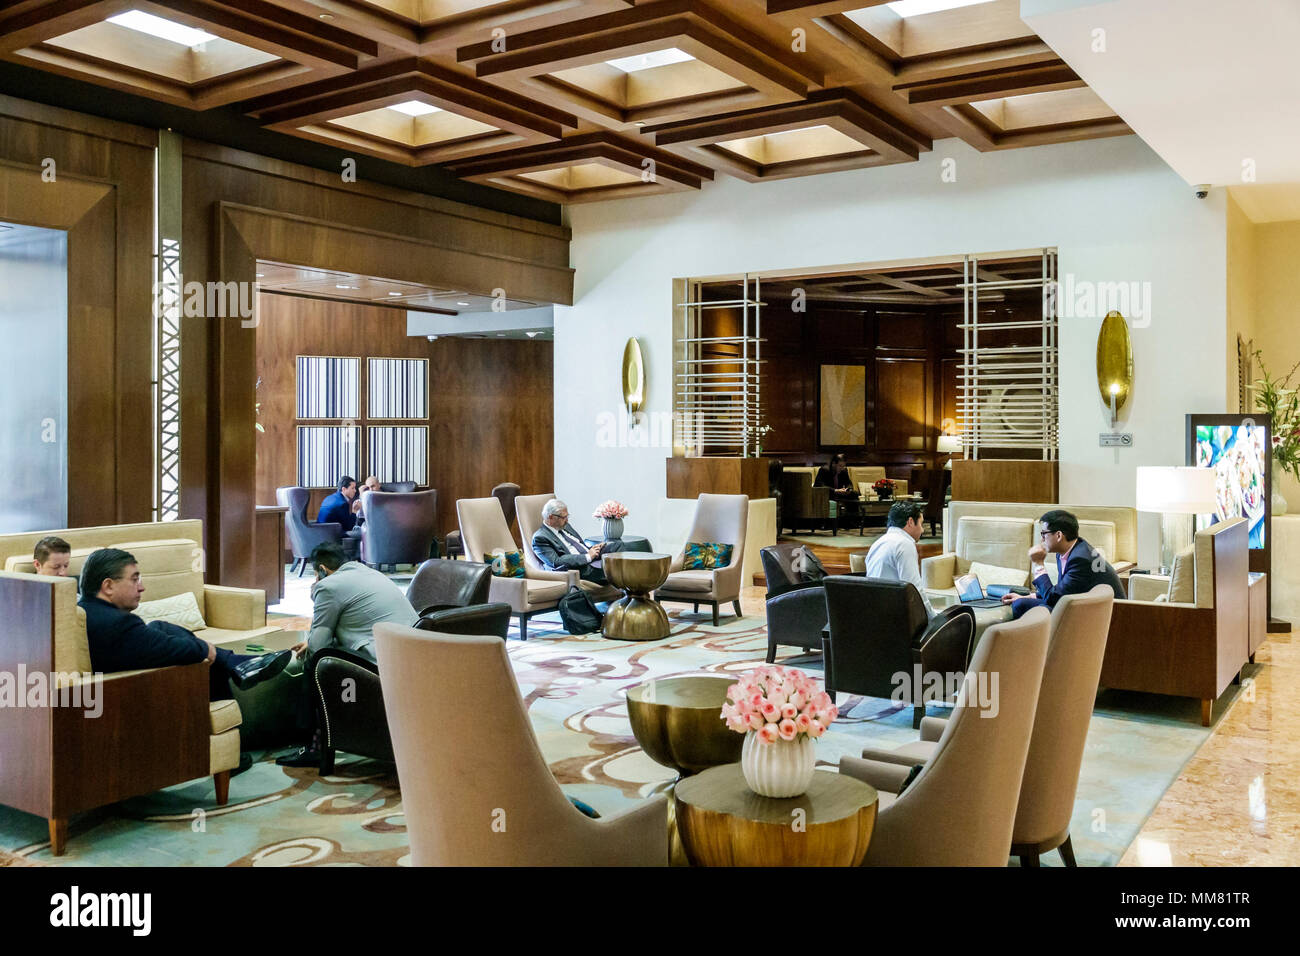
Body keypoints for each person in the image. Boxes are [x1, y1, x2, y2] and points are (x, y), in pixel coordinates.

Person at [277, 541, 420, 768]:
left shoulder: (329, 586)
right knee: (321, 653)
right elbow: (357, 621)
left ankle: (312, 744)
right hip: (414, 657)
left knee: (315, 663)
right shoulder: (367, 571)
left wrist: (317, 598)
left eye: (316, 575)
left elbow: (318, 645)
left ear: (323, 570)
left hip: (380, 664)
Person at [77, 548, 291, 700]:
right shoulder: (118, 624)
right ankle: (236, 664)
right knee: (204, 660)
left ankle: (236, 662)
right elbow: (175, 648)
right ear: (108, 586)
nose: (141, 588)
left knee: (161, 627)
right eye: (134, 579)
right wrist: (208, 649)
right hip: (130, 692)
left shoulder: (85, 611)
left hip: (120, 679)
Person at [1005, 509, 1126, 619]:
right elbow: (1062, 591)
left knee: (1021, 605)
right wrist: (1028, 596)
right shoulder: (1071, 550)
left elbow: (1054, 599)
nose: (1042, 539)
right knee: (1022, 601)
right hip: (1087, 607)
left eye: (1044, 534)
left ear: (1058, 535)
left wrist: (1038, 564)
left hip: (1106, 616)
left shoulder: (1080, 559)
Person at [861, 501, 935, 618]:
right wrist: (934, 618)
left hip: (874, 613)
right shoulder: (904, 544)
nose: (922, 530)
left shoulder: (878, 543)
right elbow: (913, 589)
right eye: (921, 524)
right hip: (896, 618)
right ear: (910, 522)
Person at [531, 498, 624, 586]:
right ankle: (630, 593)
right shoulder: (540, 538)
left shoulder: (565, 526)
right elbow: (556, 562)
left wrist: (594, 548)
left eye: (567, 516)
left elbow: (580, 544)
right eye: (564, 517)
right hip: (578, 568)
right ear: (551, 517)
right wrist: (587, 557)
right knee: (616, 569)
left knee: (618, 546)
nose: (567, 520)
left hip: (589, 555)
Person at [318, 475, 362, 558]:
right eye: (352, 488)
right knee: (363, 533)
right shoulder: (342, 503)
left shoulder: (329, 497)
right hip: (333, 534)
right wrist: (354, 512)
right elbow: (348, 527)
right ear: (344, 489)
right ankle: (358, 561)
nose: (355, 491)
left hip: (321, 532)